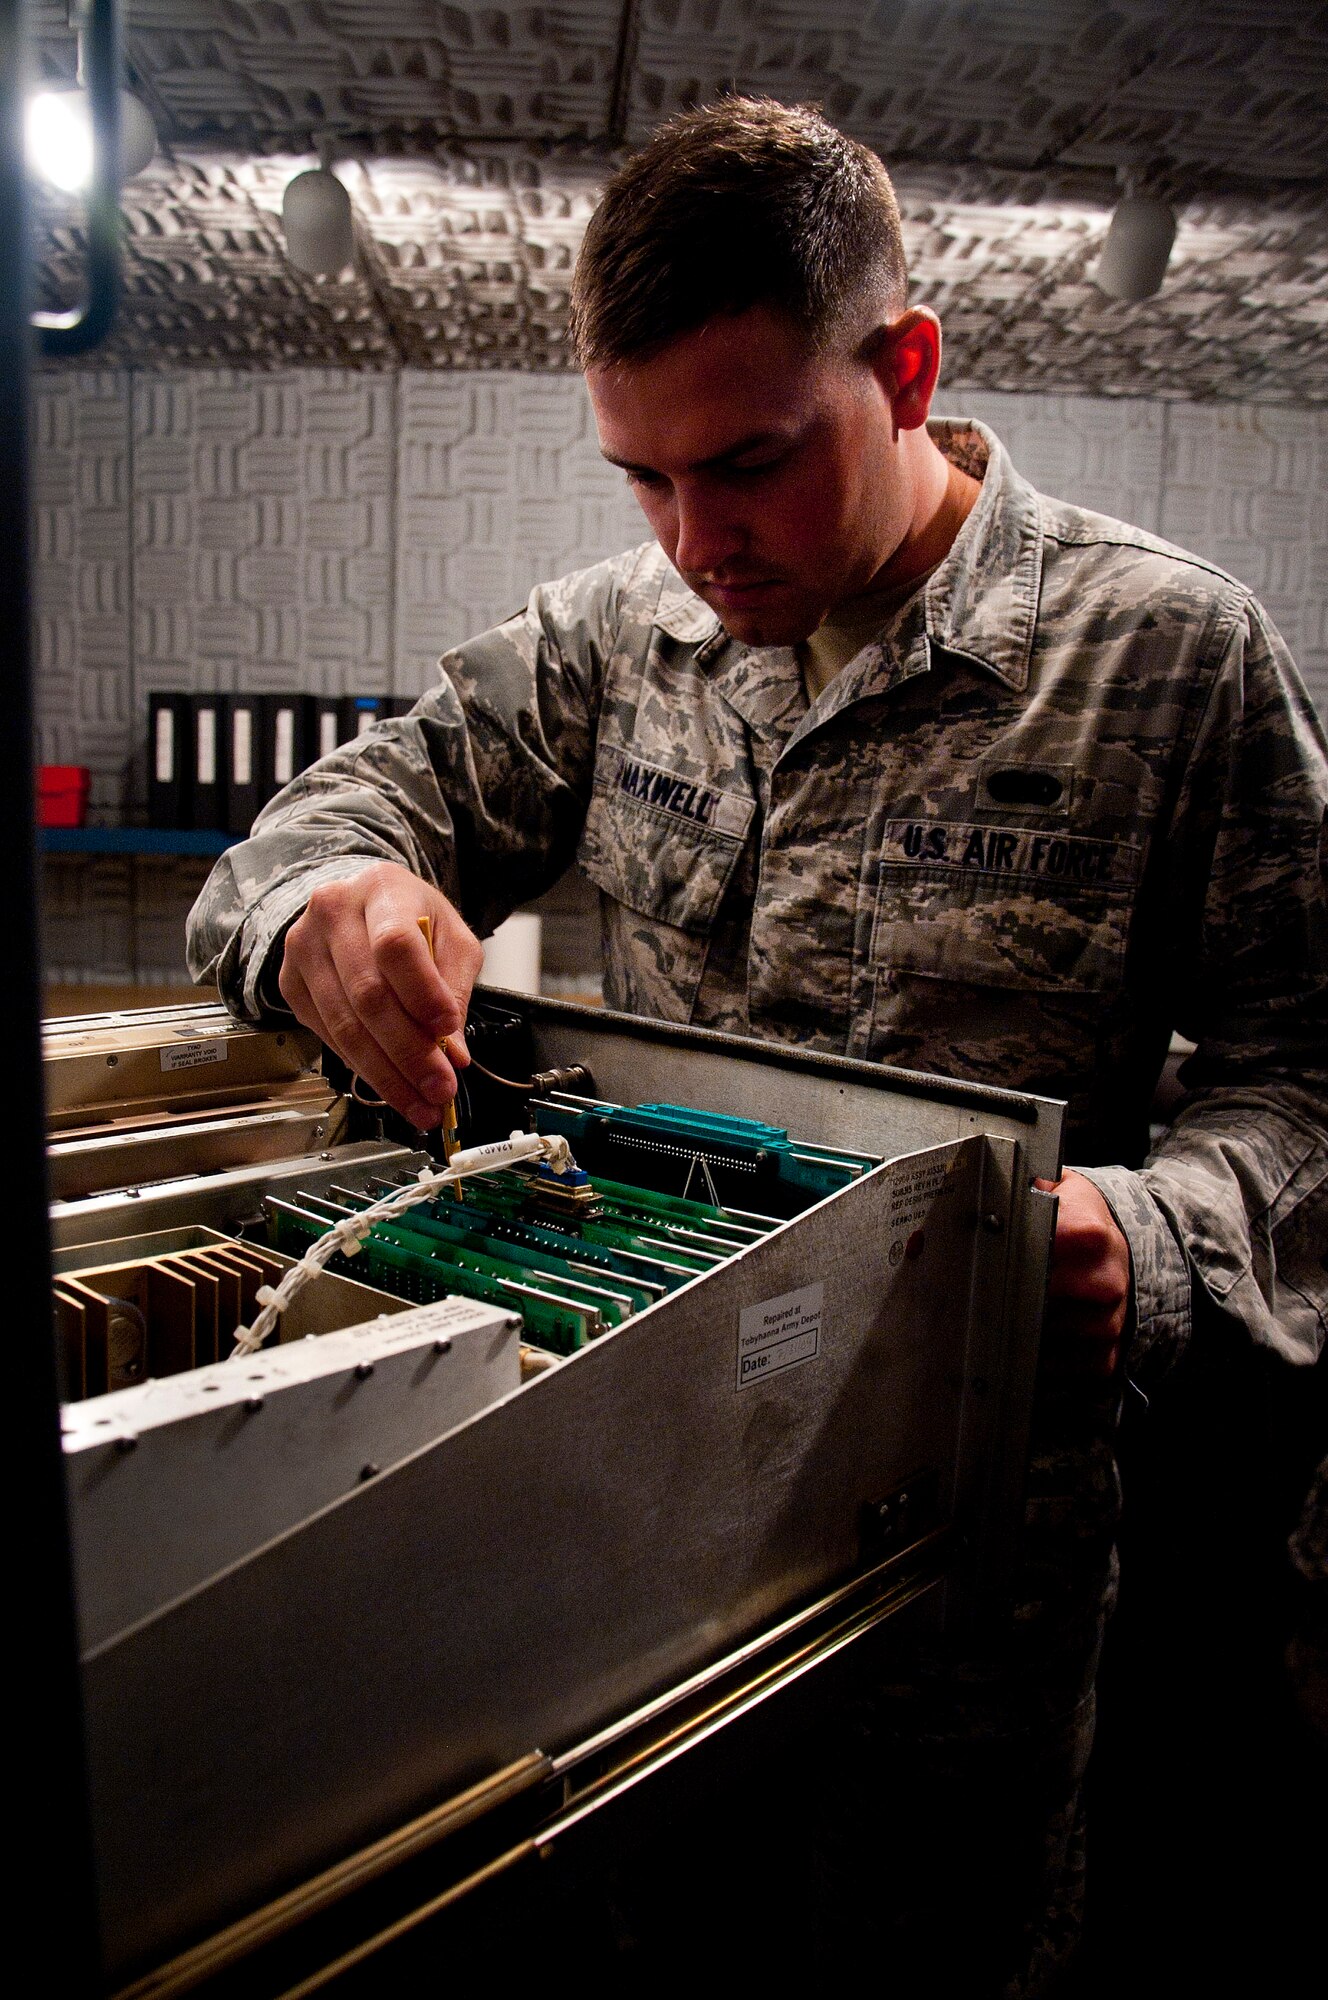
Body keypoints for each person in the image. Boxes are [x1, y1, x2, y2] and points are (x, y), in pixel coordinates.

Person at [188, 99, 1327, 1992]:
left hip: (971, 1568)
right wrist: (333, 906)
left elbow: (1310, 1064)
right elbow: (326, 820)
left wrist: (1159, 1234)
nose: (694, 542)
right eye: (641, 477)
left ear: (906, 371)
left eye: (749, 466)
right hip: (628, 1511)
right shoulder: (616, 639)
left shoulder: (1168, 656)